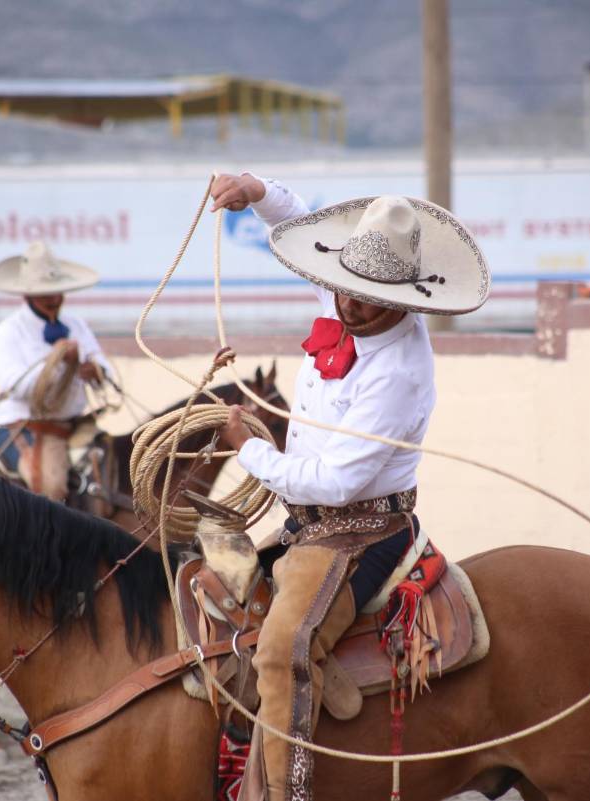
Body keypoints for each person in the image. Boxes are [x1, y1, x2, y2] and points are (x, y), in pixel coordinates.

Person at [211, 172, 488, 801]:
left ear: (404, 300)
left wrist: (251, 451)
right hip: (308, 520)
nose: (345, 304)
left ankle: (283, 795)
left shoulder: (399, 371)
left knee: (282, 651)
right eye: (342, 288)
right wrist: (254, 189)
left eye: (363, 298)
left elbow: (335, 484)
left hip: (357, 531)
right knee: (210, 585)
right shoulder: (344, 296)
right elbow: (294, 219)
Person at [0, 240, 117, 502]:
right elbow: (16, 385)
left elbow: (107, 371)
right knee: (51, 488)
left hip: (73, 425)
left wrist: (96, 371)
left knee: (116, 463)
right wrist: (57, 364)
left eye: (57, 292)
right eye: (46, 294)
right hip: (25, 428)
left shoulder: (76, 324)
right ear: (27, 295)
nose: (54, 300)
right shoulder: (8, 332)